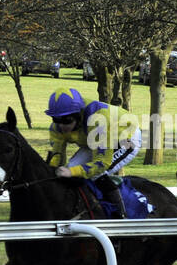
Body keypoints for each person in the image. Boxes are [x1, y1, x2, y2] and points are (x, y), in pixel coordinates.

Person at [43, 86, 140, 219]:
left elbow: (102, 163)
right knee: (70, 169)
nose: (61, 126)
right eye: (56, 120)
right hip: (95, 139)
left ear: (78, 115)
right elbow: (57, 158)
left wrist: (72, 172)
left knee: (94, 173)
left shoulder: (97, 120)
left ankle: (121, 214)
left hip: (126, 139)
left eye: (66, 120)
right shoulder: (56, 128)